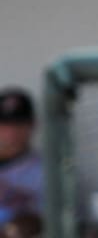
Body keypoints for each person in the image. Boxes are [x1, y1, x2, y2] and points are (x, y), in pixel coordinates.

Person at [0, 89, 42, 238]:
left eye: (19, 124)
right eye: (5, 124)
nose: (11, 133)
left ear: (33, 125)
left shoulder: (49, 170)